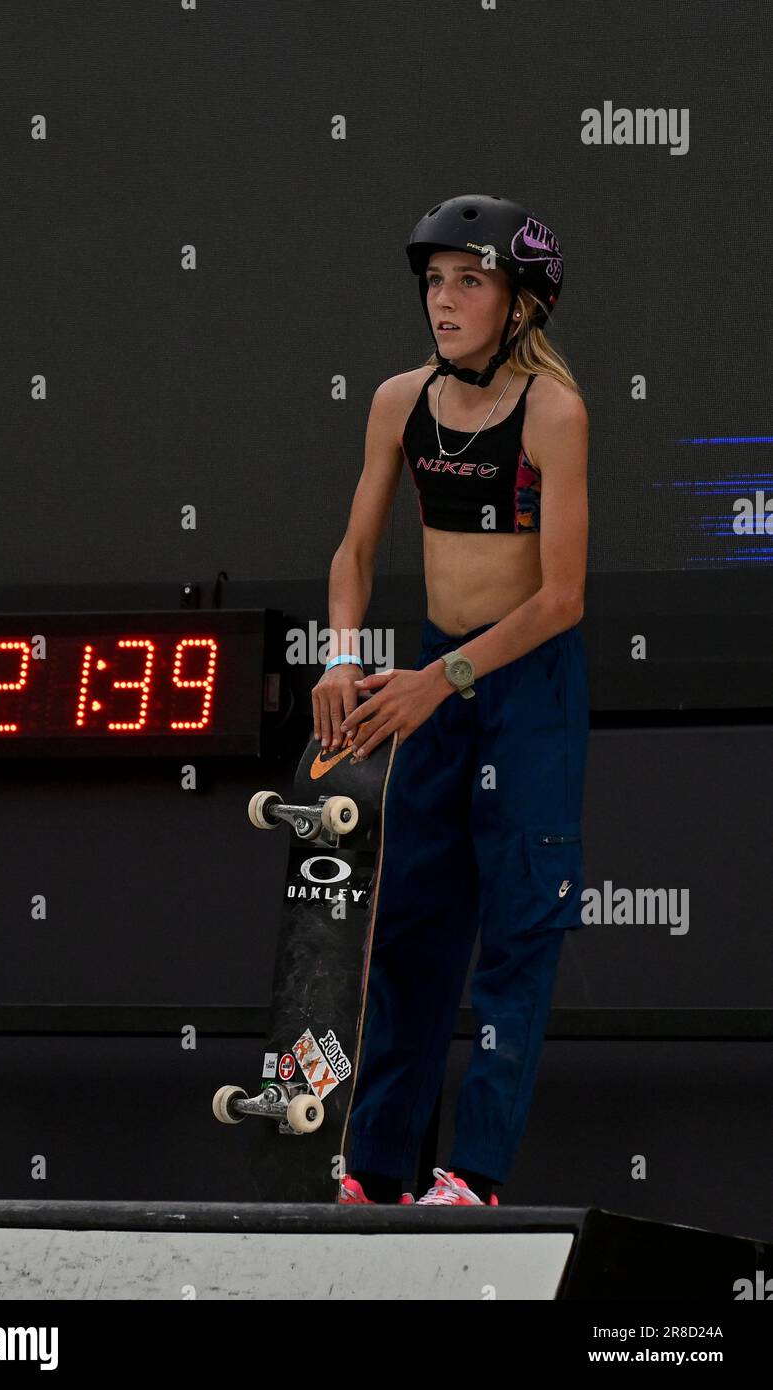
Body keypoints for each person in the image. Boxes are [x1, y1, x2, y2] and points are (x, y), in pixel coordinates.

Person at [310, 194, 590, 1207]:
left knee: (517, 933)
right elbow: (353, 549)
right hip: (432, 677)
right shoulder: (397, 400)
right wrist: (343, 654)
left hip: (521, 686)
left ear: (521, 303)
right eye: (433, 281)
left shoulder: (553, 414)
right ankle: (373, 1172)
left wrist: (445, 679)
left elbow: (561, 597)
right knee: (411, 929)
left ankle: (469, 1178)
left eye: (468, 280)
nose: (443, 299)